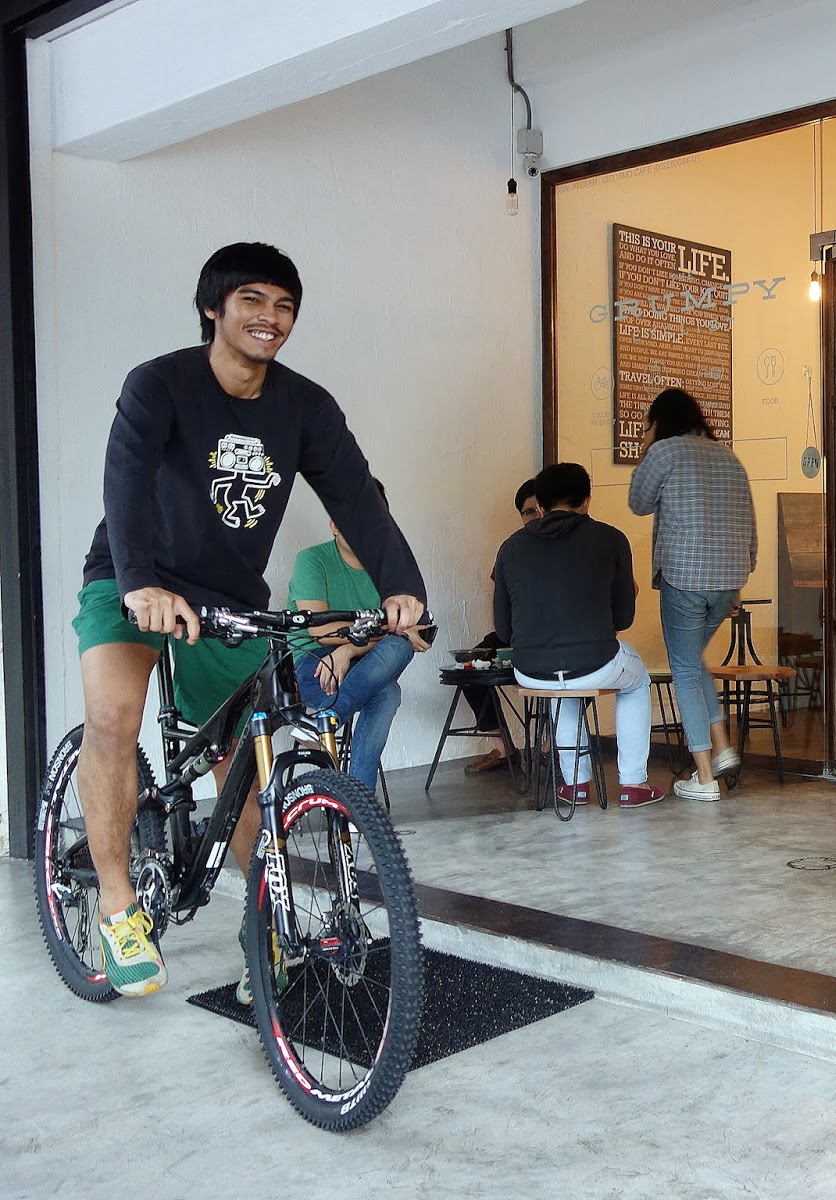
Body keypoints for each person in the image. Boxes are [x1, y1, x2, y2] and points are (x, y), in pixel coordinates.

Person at [71, 242, 427, 999]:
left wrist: (402, 585)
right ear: (214, 308)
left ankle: (261, 920)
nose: (271, 318)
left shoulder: (305, 407)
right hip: (134, 578)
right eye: (253, 301)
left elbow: (355, 495)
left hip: (225, 595)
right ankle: (117, 908)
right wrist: (139, 584)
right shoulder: (159, 384)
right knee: (112, 718)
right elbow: (124, 481)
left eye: (285, 306)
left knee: (241, 755)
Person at [495, 462, 665, 808]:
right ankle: (633, 784)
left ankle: (575, 785)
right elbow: (624, 616)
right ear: (587, 500)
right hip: (595, 660)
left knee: (560, 691)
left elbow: (503, 629)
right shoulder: (611, 539)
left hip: (530, 668)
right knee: (636, 680)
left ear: (540, 506)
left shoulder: (510, 548)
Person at [627, 387, 756, 802]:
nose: (644, 433)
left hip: (684, 577)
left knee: (683, 669)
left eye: (647, 426)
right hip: (727, 580)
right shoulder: (728, 457)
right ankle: (722, 747)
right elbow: (749, 523)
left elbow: (638, 502)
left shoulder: (664, 452)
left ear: (659, 422)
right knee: (692, 660)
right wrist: (740, 578)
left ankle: (703, 777)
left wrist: (648, 448)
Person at [289, 480, 428, 789]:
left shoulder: (388, 570)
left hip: (361, 661)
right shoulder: (312, 560)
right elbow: (320, 630)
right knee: (389, 691)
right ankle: (359, 798)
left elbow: (410, 630)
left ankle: (325, 722)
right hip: (312, 664)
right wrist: (388, 633)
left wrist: (349, 650)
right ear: (334, 524)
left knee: (400, 648)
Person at [462, 478, 542, 775]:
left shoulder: (569, 545)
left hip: (561, 636)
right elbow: (500, 601)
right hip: (518, 634)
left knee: (579, 672)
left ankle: (549, 747)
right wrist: (506, 636)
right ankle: (502, 747)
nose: (535, 517)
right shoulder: (512, 548)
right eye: (528, 512)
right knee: (471, 667)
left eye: (540, 509)